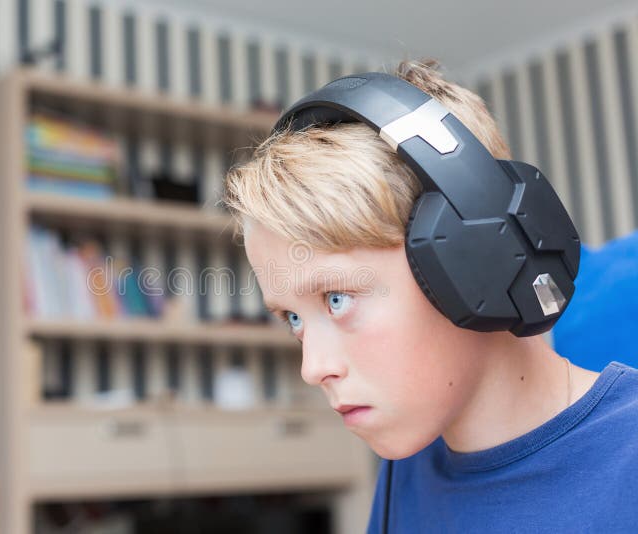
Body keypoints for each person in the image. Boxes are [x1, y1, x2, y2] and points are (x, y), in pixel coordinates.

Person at [220, 58, 638, 532]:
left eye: (336, 299)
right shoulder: (410, 464)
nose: (313, 369)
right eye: (292, 319)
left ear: (479, 256)